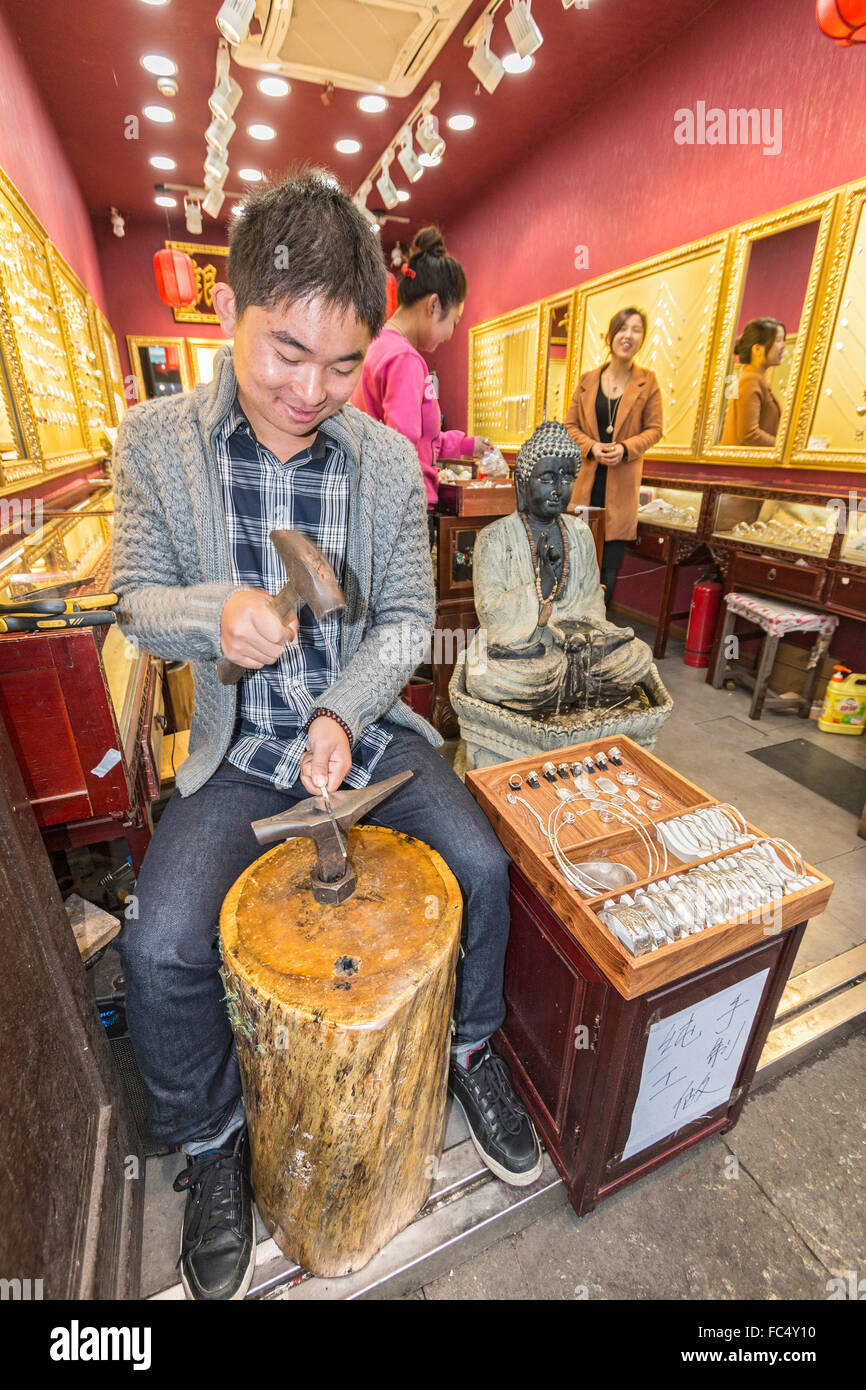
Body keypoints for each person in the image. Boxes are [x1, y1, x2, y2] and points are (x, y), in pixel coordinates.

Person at [110, 172, 540, 1302]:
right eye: (285, 353)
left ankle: (469, 1049)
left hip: (365, 732)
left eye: (342, 363)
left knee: (482, 866)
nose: (311, 389)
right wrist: (216, 613)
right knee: (157, 950)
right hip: (235, 749)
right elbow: (134, 603)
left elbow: (403, 620)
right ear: (228, 311)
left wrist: (345, 710)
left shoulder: (386, 461)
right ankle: (211, 1152)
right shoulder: (155, 441)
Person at [465, 421, 653, 711]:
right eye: (547, 478)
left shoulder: (580, 532)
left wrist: (582, 634)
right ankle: (575, 688)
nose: (557, 489)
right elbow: (490, 613)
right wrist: (538, 590)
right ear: (521, 483)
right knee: (481, 673)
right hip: (522, 650)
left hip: (577, 648)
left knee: (639, 655)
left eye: (567, 478)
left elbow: (591, 600)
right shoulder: (494, 537)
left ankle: (568, 684)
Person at [351, 226, 491, 543]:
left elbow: (422, 438)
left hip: (370, 505)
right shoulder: (405, 359)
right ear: (433, 305)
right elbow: (403, 446)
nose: (451, 334)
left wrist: (467, 445)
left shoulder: (374, 346)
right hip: (402, 513)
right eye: (453, 322)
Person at [564, 307, 663, 607]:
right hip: (586, 484)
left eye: (636, 330)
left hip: (620, 488)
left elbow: (656, 429)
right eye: (622, 328)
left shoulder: (648, 381)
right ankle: (569, 625)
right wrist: (592, 446)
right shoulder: (588, 380)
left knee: (608, 566)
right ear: (610, 336)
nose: (628, 335)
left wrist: (626, 448)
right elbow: (569, 425)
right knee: (577, 559)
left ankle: (600, 628)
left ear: (642, 338)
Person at [720, 317, 785, 447]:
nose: (783, 345)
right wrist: (782, 446)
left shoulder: (754, 378)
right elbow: (749, 434)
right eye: (778, 340)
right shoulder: (750, 380)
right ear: (757, 349)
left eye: (783, 340)